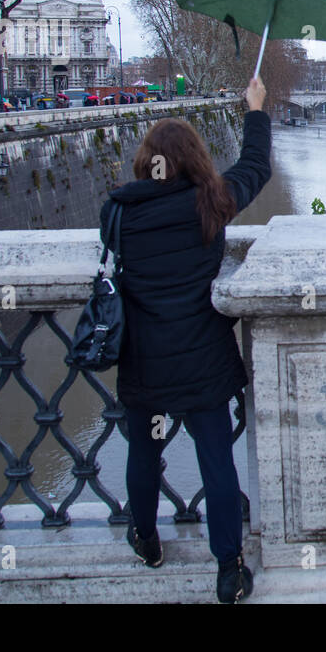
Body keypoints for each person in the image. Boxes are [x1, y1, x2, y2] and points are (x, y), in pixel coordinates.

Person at [100, 75, 270, 603]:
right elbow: (255, 168)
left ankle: (147, 540)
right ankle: (229, 569)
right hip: (202, 364)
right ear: (197, 159)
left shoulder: (118, 213)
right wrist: (255, 109)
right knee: (216, 462)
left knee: (144, 455)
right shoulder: (211, 203)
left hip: (146, 363)